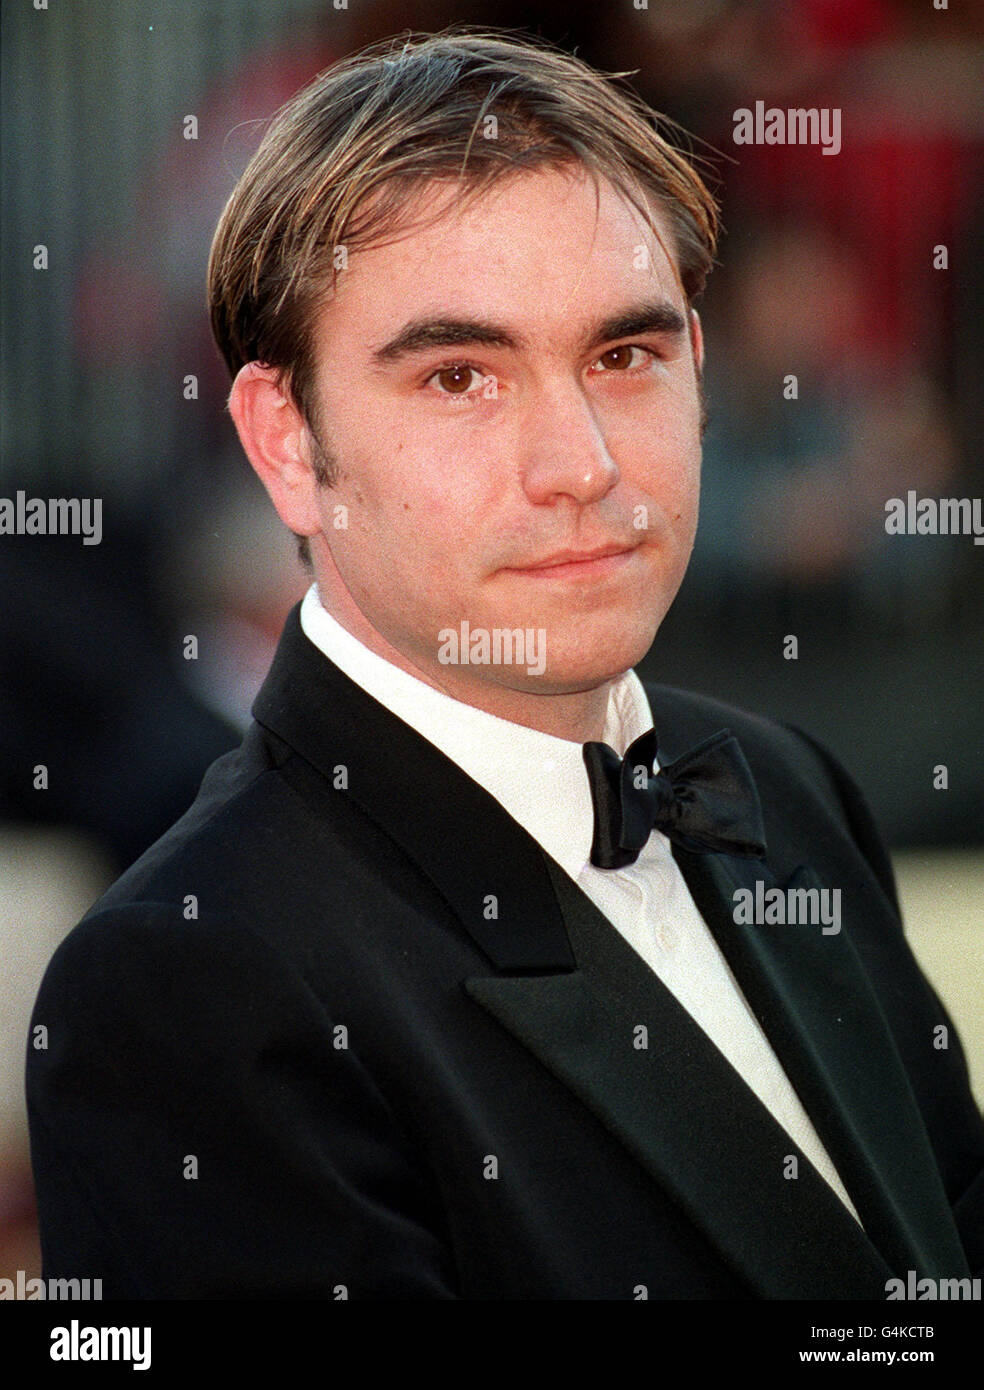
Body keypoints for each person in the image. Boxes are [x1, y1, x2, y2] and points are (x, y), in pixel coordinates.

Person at [26, 29, 983, 1300]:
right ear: (289, 444)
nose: (582, 461)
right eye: (462, 375)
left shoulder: (780, 786)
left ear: (697, 369)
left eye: (622, 356)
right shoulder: (191, 983)